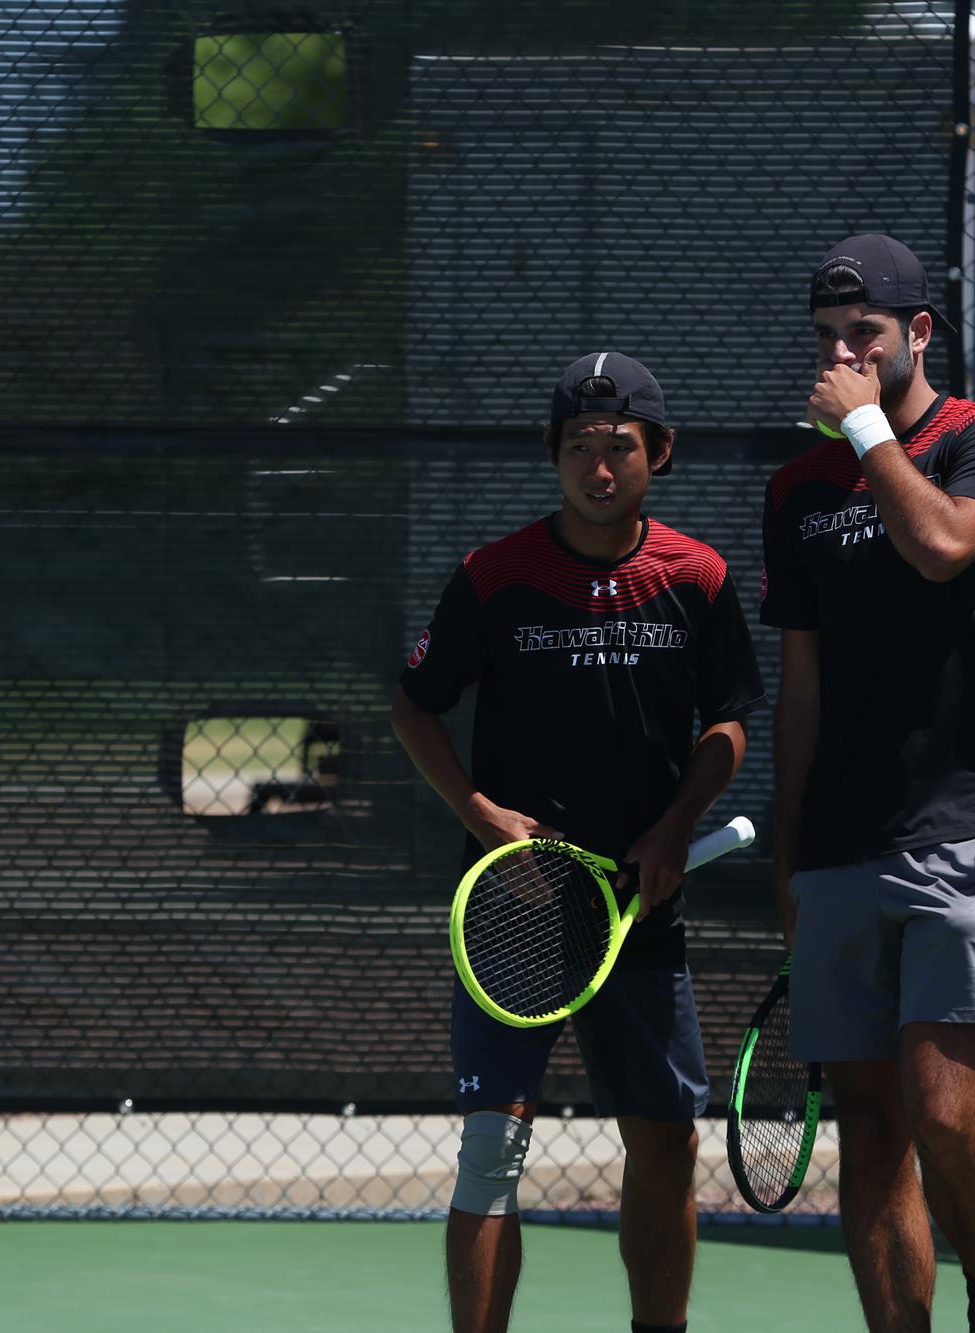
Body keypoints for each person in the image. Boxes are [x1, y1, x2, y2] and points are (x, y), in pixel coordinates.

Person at [391, 351, 766, 1333]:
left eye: (620, 449)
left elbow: (727, 721)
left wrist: (675, 825)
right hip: (517, 913)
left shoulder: (697, 577)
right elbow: (414, 709)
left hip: (640, 913)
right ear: (552, 453)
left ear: (659, 453)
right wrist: (485, 820)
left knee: (667, 1144)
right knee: (490, 1150)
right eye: (580, 448)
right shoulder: (491, 577)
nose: (599, 469)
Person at [761, 235, 975, 1333]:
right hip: (839, 846)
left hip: (966, 828)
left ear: (917, 334)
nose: (841, 355)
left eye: (862, 336)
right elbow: (800, 689)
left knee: (938, 1108)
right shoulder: (794, 490)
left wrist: (867, 428)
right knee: (869, 1130)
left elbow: (938, 547)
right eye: (827, 338)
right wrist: (789, 854)